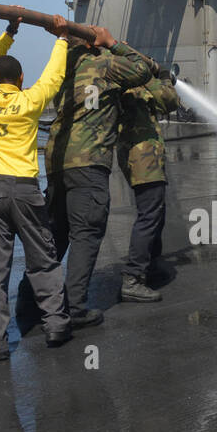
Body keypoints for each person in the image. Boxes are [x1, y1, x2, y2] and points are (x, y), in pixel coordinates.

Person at [0, 12, 72, 359]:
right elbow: (54, 77)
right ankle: (56, 324)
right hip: (26, 190)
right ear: (21, 78)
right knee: (43, 260)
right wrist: (62, 39)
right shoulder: (29, 101)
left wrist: (9, 33)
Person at [38, 26, 155, 328]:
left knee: (54, 237)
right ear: (91, 44)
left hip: (56, 161)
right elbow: (142, 70)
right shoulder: (103, 62)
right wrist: (113, 44)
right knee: (85, 235)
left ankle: (32, 304)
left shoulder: (62, 67)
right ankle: (75, 308)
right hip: (88, 163)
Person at [116, 64, 179, 303]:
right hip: (142, 157)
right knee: (149, 215)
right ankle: (133, 277)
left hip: (144, 155)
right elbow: (169, 100)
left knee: (155, 212)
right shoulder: (130, 85)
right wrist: (162, 76)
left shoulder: (126, 83)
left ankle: (151, 264)